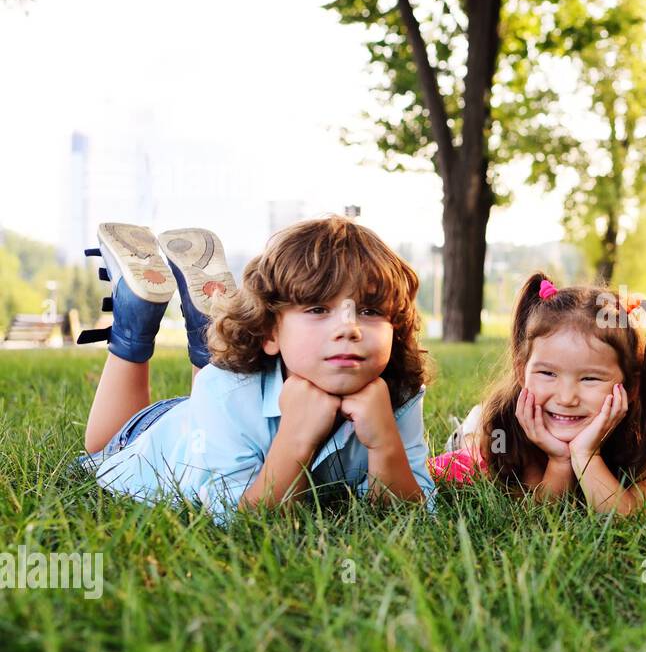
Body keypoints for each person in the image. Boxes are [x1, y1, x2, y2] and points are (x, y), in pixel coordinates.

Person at [77, 217, 436, 522]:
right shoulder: (226, 390)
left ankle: (206, 326)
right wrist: (296, 438)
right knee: (100, 449)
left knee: (225, 383)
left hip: (211, 418)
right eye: (317, 310)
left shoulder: (398, 393)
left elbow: (411, 515)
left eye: (370, 311)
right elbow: (239, 519)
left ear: (396, 329)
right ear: (270, 332)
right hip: (155, 434)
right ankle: (133, 321)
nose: (349, 328)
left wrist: (384, 441)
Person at [430, 273, 646, 512]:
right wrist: (560, 461)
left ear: (631, 386)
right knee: (472, 445)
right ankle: (469, 428)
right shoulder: (508, 427)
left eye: (589, 378)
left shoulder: (645, 430)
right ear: (521, 372)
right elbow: (539, 512)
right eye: (548, 373)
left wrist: (586, 455)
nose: (566, 398)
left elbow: (636, 516)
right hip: (486, 432)